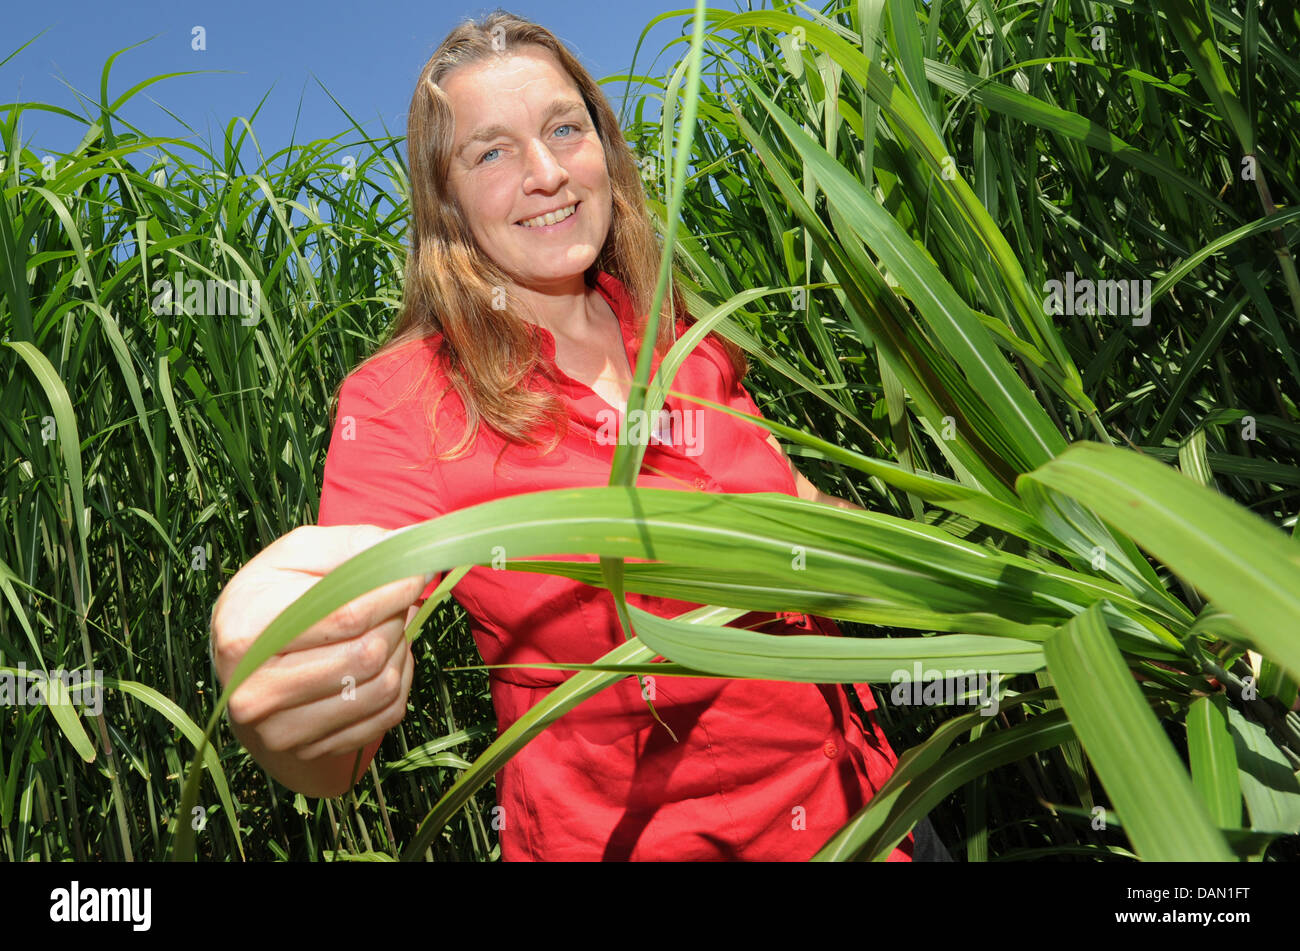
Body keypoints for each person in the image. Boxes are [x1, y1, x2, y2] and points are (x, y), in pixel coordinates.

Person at [210, 10, 919, 862]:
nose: (545, 173)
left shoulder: (679, 331)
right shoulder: (405, 400)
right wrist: (290, 691)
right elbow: (335, 729)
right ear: (448, 198)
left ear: (604, 148)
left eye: (563, 128)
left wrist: (962, 571)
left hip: (878, 811)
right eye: (492, 152)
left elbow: (800, 512)